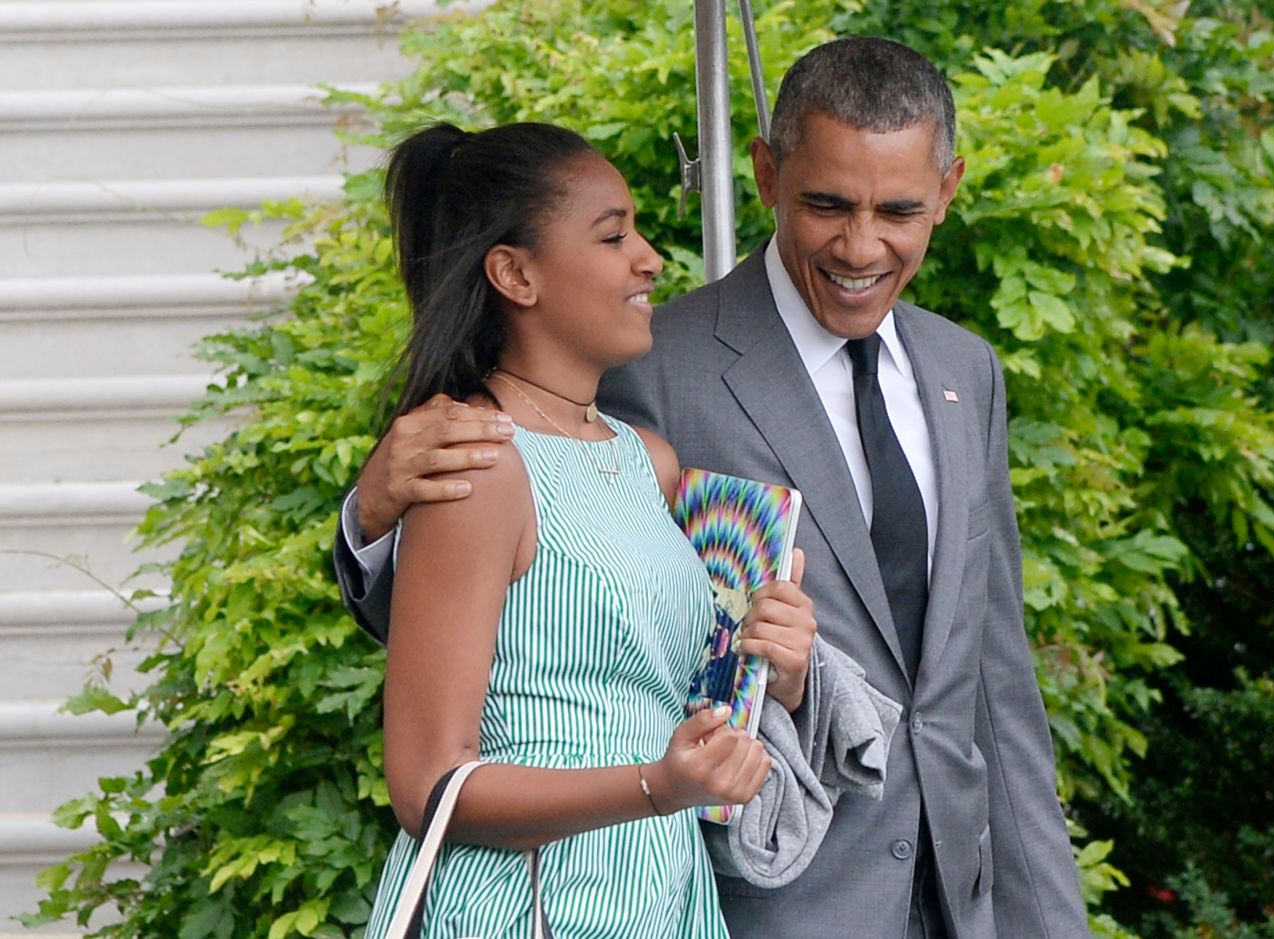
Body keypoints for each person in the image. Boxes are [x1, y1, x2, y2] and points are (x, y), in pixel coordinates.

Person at [337, 38, 1092, 939]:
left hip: (935, 899)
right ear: (767, 175)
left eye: (898, 209)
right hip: (723, 902)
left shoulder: (963, 370)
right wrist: (370, 516)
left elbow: (994, 684)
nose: (862, 243)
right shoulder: (652, 367)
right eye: (826, 204)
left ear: (948, 190)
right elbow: (511, 625)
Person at [353, 120, 818, 938]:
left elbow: (669, 699)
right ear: (515, 273)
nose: (649, 258)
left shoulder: (653, 463)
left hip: (663, 896)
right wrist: (654, 786)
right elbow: (428, 783)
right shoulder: (480, 462)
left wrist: (769, 666)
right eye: (613, 236)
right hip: (527, 906)